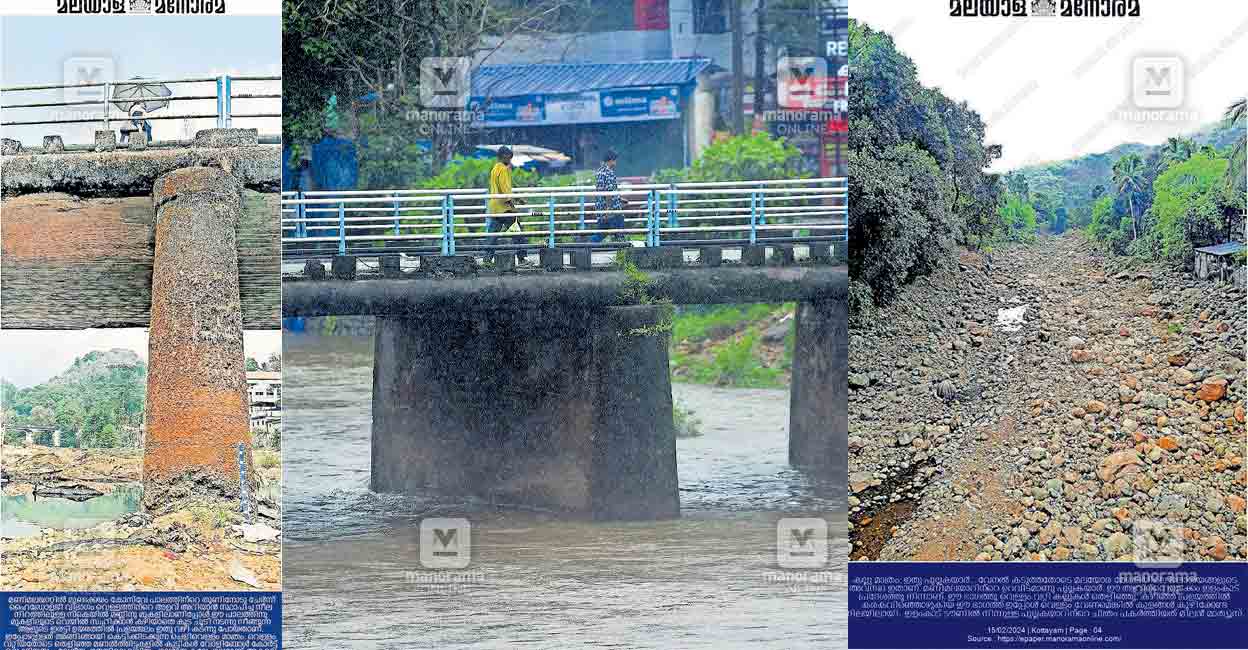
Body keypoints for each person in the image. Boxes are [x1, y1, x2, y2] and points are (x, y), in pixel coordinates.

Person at [485, 146, 527, 261]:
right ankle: (522, 258)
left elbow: (505, 187)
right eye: (509, 157)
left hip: (495, 207)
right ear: (504, 156)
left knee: (492, 236)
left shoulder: (495, 168)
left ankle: (487, 259)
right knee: (518, 234)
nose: (510, 160)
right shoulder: (504, 169)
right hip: (505, 208)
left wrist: (517, 199)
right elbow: (505, 189)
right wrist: (512, 203)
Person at [591, 149, 629, 243]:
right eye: (615, 160)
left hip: (601, 209)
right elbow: (609, 192)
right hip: (612, 210)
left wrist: (619, 199)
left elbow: (603, 190)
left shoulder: (599, 172)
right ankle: (622, 251)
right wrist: (609, 208)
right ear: (611, 160)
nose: (616, 162)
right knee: (619, 232)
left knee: (600, 234)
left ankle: (585, 248)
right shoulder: (609, 173)